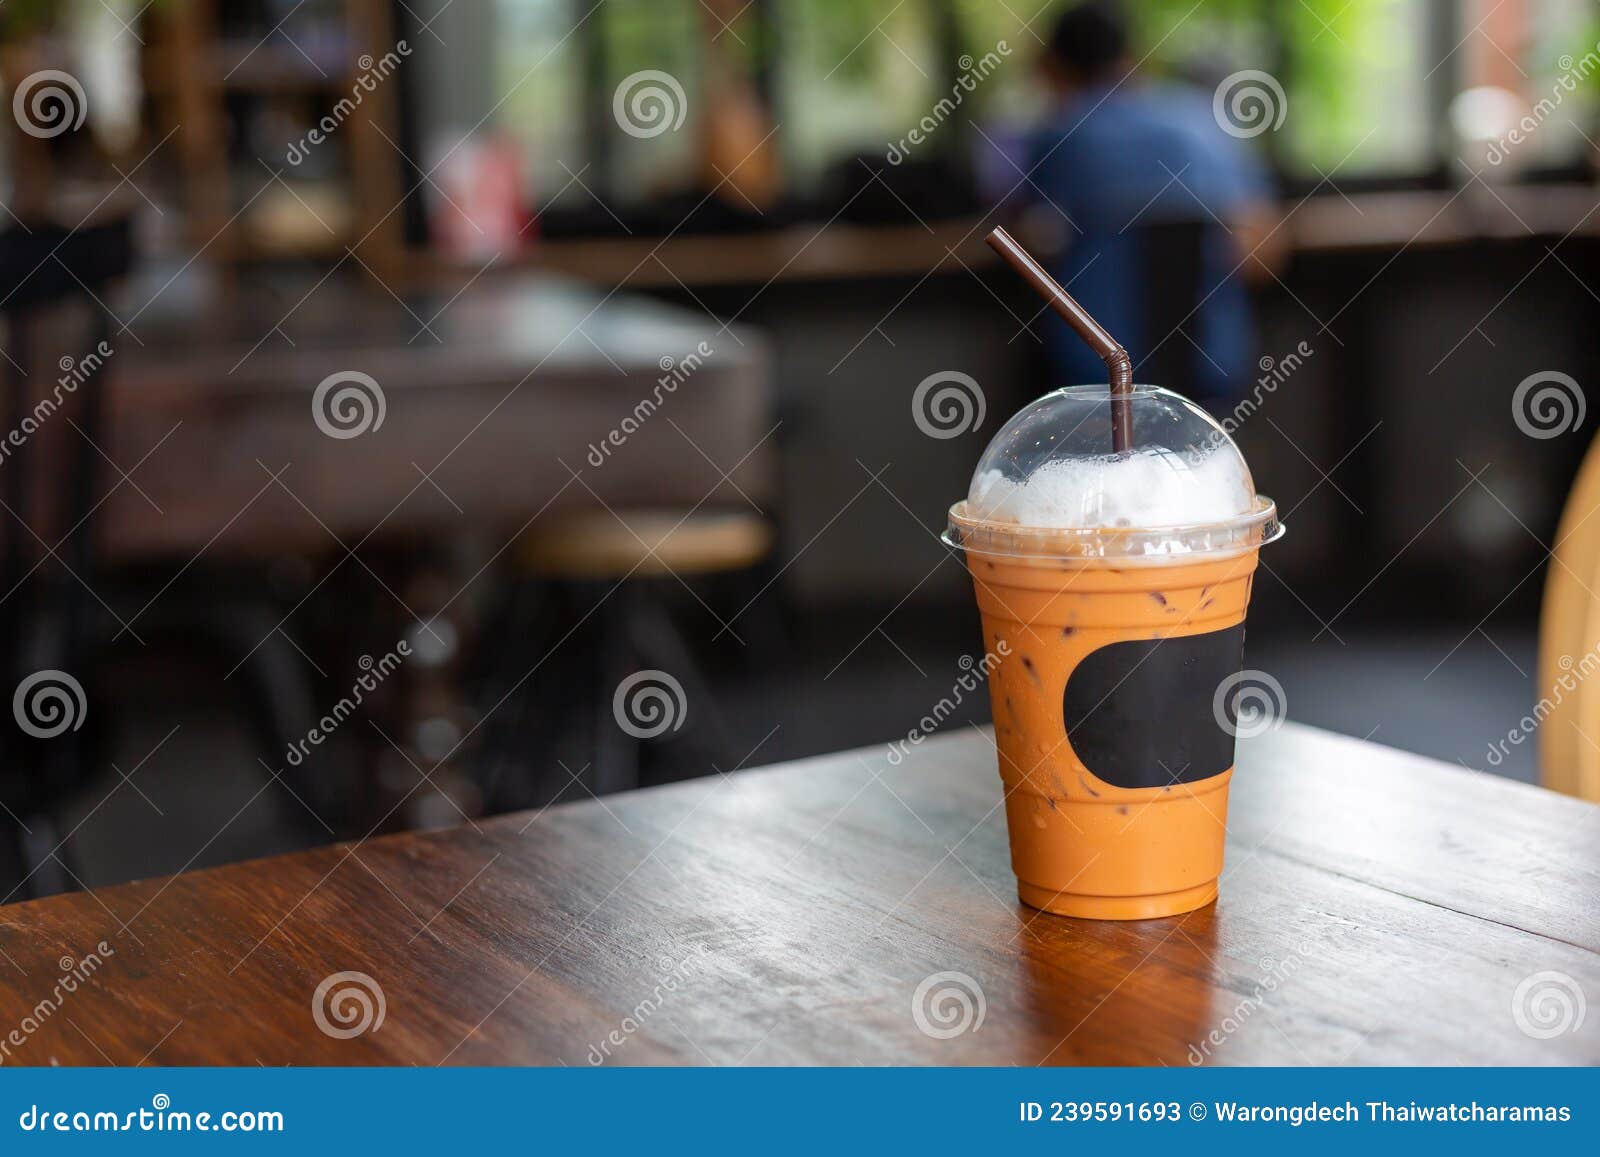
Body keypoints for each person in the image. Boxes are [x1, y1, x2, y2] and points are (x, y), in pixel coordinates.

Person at [1025, 1, 1283, 405]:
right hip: (1211, 371)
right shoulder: (1204, 121)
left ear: (1052, 67)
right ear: (1134, 58)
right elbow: (1265, 251)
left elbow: (1026, 235)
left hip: (1094, 382)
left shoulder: (1059, 135)